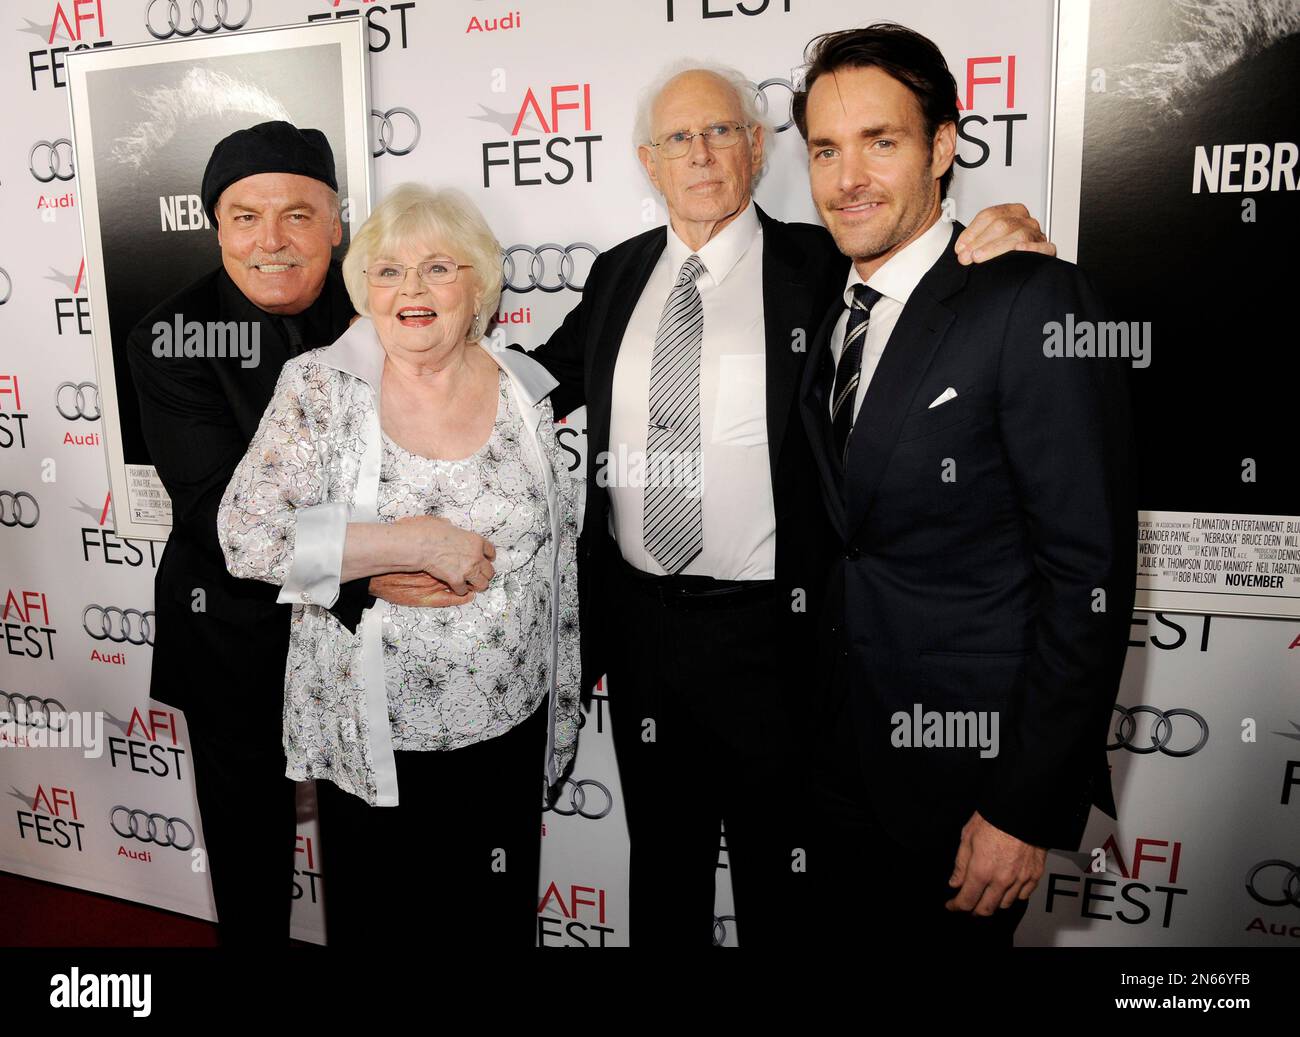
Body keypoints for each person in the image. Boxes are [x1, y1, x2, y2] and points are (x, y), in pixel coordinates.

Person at [370, 62, 1052, 948]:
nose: (700, 154)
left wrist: (997, 238)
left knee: (785, 884)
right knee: (663, 870)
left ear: (759, 150)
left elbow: (929, 291)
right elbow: (526, 380)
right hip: (645, 633)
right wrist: (392, 324)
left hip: (782, 637)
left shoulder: (826, 265)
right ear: (649, 163)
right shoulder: (617, 275)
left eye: (721, 131)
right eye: (678, 139)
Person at [793, 24, 1136, 946]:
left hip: (968, 784)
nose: (848, 176)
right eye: (826, 149)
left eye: (882, 141)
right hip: (834, 763)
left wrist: (1024, 806)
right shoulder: (831, 308)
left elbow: (1088, 575)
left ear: (944, 146)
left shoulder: (1031, 299)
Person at [217, 183, 580, 947]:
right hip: (377, 732)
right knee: (386, 928)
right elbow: (247, 535)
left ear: (477, 285)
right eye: (388, 272)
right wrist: (407, 542)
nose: (412, 290)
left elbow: (558, 556)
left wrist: (563, 696)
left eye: (438, 268)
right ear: (365, 289)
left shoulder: (522, 388)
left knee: (490, 927)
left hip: (506, 726)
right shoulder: (321, 385)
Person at [125, 121, 375, 945]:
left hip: (368, 641)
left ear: (338, 222)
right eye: (244, 216)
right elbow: (228, 518)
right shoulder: (172, 332)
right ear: (215, 225)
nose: (271, 240)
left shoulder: (386, 307)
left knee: (373, 854)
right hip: (234, 634)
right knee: (249, 861)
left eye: (298, 215)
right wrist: (390, 557)